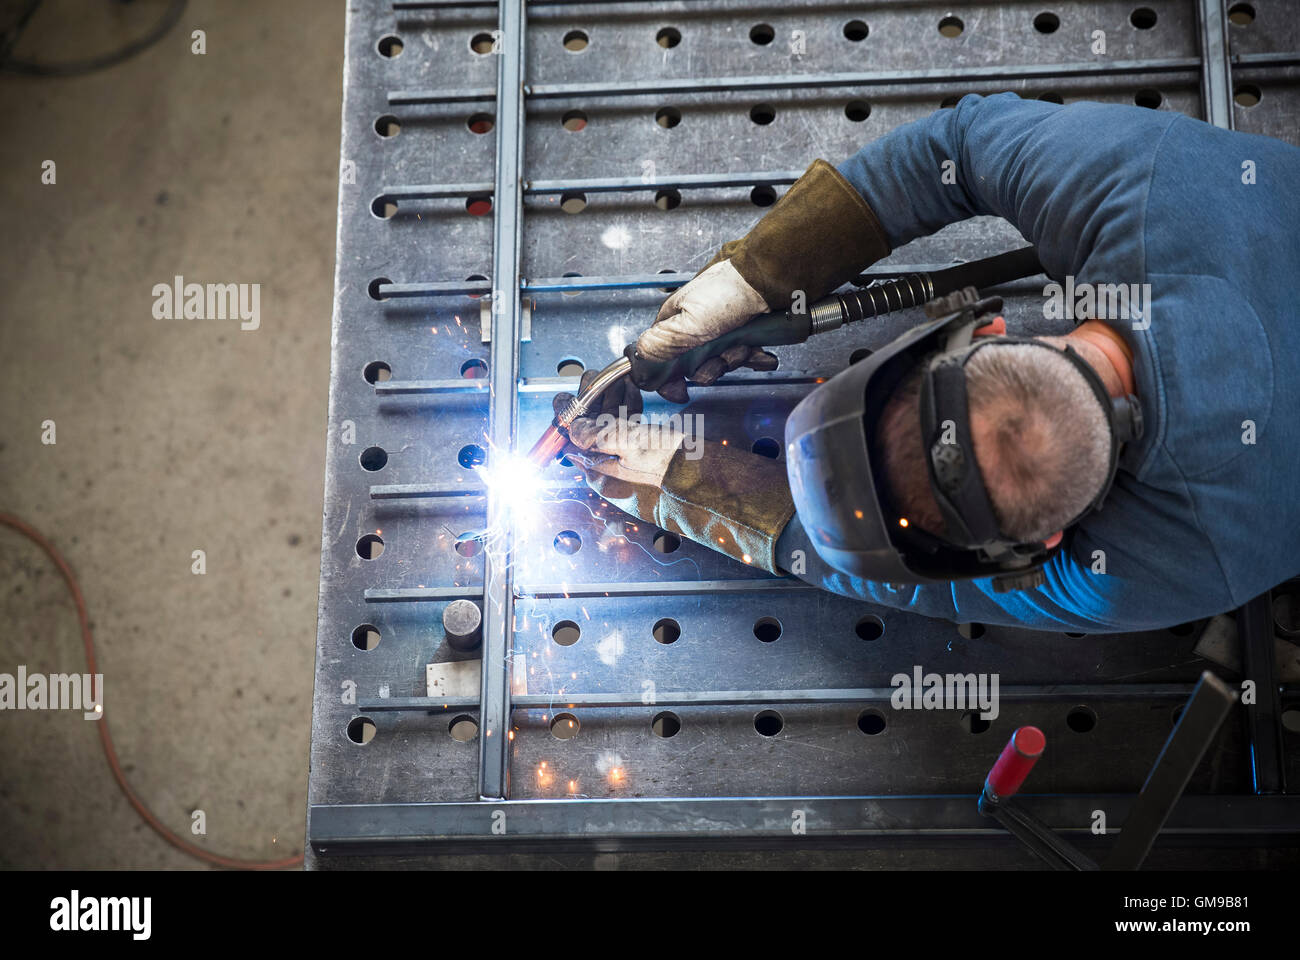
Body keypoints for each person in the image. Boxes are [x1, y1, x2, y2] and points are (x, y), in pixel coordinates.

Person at [554, 92, 1300, 633]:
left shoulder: (1174, 561)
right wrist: (759, 276)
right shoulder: (1140, 188)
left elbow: (929, 590)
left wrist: (693, 482)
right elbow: (958, 149)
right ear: (985, 331)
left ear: (984, 329)